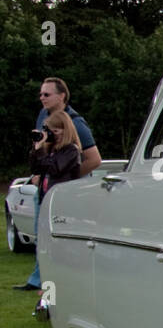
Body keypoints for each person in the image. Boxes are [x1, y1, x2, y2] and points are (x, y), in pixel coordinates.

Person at [15, 77, 99, 291]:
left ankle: (58, 283)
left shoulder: (75, 124)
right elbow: (41, 160)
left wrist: (66, 178)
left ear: (61, 96)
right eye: (40, 94)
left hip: (62, 192)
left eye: (46, 94)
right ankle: (39, 280)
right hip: (45, 189)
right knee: (42, 236)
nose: (41, 98)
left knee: (60, 241)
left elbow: (94, 159)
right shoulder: (44, 116)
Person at [14, 110, 82, 291]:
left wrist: (43, 154)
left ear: (65, 130)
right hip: (45, 200)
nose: (53, 134)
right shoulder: (51, 150)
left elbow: (56, 169)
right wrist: (37, 149)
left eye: (56, 131)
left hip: (61, 203)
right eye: (50, 130)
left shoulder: (71, 150)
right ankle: (47, 283)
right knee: (45, 244)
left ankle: (62, 283)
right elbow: (36, 167)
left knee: (60, 246)